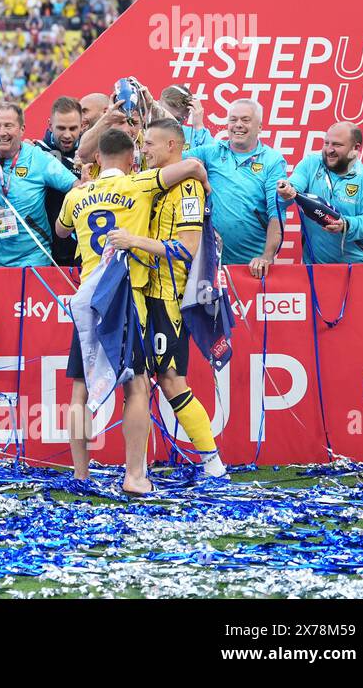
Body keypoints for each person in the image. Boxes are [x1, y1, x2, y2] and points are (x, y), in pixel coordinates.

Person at [55, 128, 209, 494]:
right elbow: (190, 166)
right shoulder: (138, 184)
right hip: (125, 298)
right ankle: (134, 476)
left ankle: (80, 475)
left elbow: (61, 233)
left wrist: (82, 186)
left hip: (87, 298)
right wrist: (201, 175)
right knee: (136, 387)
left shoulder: (76, 194)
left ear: (97, 160)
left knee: (79, 390)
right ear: (130, 160)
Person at [103, 119, 227, 479]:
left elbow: (187, 249)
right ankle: (139, 468)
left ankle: (213, 463)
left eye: (151, 145)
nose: (145, 151)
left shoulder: (187, 188)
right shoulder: (159, 180)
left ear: (173, 145)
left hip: (168, 297)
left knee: (172, 381)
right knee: (142, 381)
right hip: (144, 291)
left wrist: (134, 242)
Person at [185, 99, 286, 274]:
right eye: (233, 120)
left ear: (260, 127)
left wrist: (266, 256)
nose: (238, 125)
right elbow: (167, 161)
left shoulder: (273, 160)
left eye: (245, 120)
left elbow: (276, 213)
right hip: (210, 263)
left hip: (252, 266)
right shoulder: (212, 152)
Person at [0, 103, 79, 267]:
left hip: (33, 259)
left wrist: (64, 224)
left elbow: (76, 186)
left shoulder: (39, 158)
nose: (2, 132)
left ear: (22, 129)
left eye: (8, 126)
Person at [277, 122, 363, 264]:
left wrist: (345, 224)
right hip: (316, 266)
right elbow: (294, 185)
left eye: (337, 145)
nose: (329, 150)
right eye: (326, 143)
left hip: (358, 267)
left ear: (355, 148)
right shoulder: (311, 163)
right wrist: (286, 189)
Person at [41, 96, 85, 266]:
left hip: (81, 251)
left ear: (82, 126)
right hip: (46, 252)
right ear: (50, 125)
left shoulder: (93, 155)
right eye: (61, 128)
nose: (67, 135)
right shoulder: (35, 152)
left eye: (73, 128)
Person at [158, 84, 213, 150]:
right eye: (164, 115)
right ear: (157, 106)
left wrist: (199, 125)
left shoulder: (193, 135)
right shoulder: (145, 131)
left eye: (177, 119)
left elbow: (213, 156)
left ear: (187, 114)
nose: (168, 123)